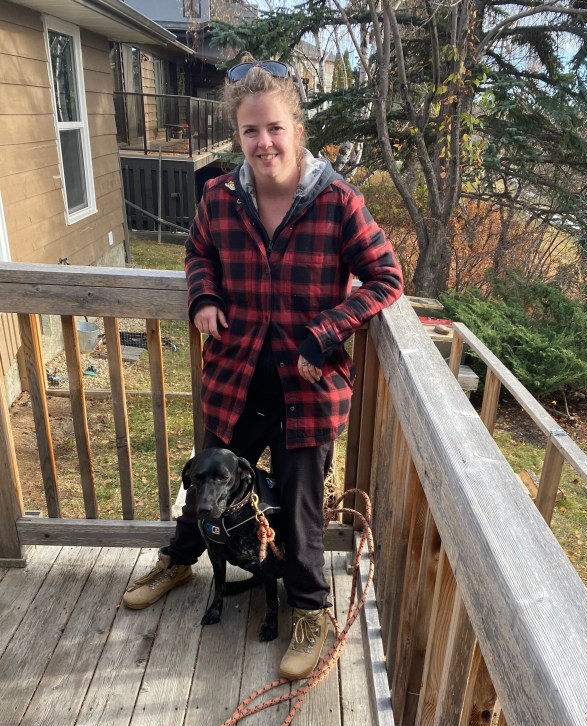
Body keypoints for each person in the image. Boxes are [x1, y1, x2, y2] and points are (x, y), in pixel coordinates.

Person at [123, 59, 403, 679]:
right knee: (206, 483)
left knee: (301, 510)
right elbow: (198, 252)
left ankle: (309, 610)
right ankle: (179, 561)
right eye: (251, 131)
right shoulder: (220, 198)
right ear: (238, 135)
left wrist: (326, 331)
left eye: (275, 128)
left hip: (308, 389)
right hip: (235, 380)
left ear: (297, 130)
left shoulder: (337, 202)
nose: (264, 142)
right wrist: (203, 296)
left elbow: (387, 277)